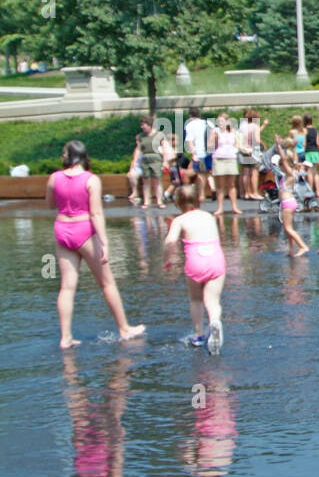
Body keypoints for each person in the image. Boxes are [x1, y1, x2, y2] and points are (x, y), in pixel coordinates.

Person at [46, 140, 147, 349]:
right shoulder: (91, 180)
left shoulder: (54, 178)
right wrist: (105, 241)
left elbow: (50, 204)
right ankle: (124, 329)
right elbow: (96, 213)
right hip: (84, 231)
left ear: (67, 156)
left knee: (66, 286)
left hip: (62, 230)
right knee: (107, 282)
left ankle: (65, 337)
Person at [162, 184, 226, 354]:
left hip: (195, 261)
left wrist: (166, 259)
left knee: (196, 300)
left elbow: (169, 241)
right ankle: (215, 322)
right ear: (199, 199)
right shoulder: (209, 217)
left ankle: (198, 335)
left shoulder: (179, 220)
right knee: (213, 301)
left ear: (178, 203)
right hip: (215, 258)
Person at [276, 142, 310, 257]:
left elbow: (285, 160)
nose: (280, 167)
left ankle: (303, 246)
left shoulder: (290, 174)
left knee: (288, 228)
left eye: (281, 165)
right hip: (288, 203)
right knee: (287, 228)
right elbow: (289, 160)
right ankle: (291, 250)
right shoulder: (289, 173)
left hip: (288, 203)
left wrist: (278, 145)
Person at [211, 114, 243, 216]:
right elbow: (210, 146)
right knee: (220, 185)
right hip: (219, 158)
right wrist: (215, 139)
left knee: (232, 184)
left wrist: (245, 149)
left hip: (231, 158)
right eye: (218, 121)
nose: (220, 123)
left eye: (222, 121)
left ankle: (234, 206)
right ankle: (220, 207)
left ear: (227, 122)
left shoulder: (232, 131)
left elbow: (237, 144)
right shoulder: (214, 132)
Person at [137, 118, 165, 209]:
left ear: (149, 125)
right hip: (145, 158)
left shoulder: (158, 135)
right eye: (141, 125)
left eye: (143, 125)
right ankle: (146, 202)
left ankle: (159, 201)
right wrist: (135, 161)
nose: (142, 127)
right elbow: (138, 149)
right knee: (146, 181)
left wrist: (165, 161)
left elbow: (164, 148)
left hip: (156, 158)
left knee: (157, 180)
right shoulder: (141, 136)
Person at [184, 106, 210, 202]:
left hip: (199, 153)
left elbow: (190, 141)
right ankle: (209, 190)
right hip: (209, 153)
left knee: (199, 174)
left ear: (190, 115)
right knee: (206, 173)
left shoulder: (190, 125)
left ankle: (200, 195)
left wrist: (193, 154)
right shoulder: (207, 123)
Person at [238, 109, 264, 202]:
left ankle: (246, 193)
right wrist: (263, 144)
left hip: (244, 150)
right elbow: (256, 139)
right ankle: (255, 192)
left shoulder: (242, 126)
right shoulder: (255, 126)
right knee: (254, 173)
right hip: (253, 151)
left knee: (245, 173)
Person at [302, 114, 319, 199]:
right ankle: (318, 191)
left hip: (308, 152)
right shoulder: (315, 130)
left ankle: (310, 190)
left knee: (309, 172)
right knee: (315, 172)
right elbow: (317, 143)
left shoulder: (304, 130)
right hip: (315, 152)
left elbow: (304, 143)